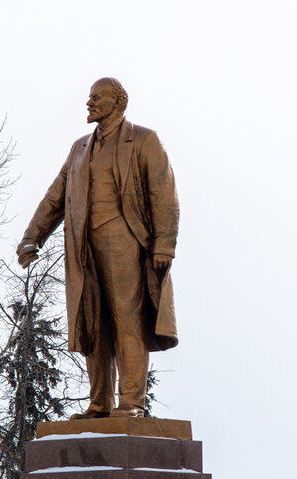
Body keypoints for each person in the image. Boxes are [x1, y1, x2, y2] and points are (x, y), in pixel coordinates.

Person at [16, 77, 179, 418]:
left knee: (127, 318)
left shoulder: (144, 140)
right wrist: (33, 235)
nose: (89, 103)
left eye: (96, 97)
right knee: (94, 321)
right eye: (89, 98)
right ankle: (99, 404)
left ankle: (131, 402)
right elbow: (56, 196)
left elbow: (163, 194)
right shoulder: (79, 149)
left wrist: (163, 244)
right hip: (82, 245)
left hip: (125, 241)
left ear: (117, 102)